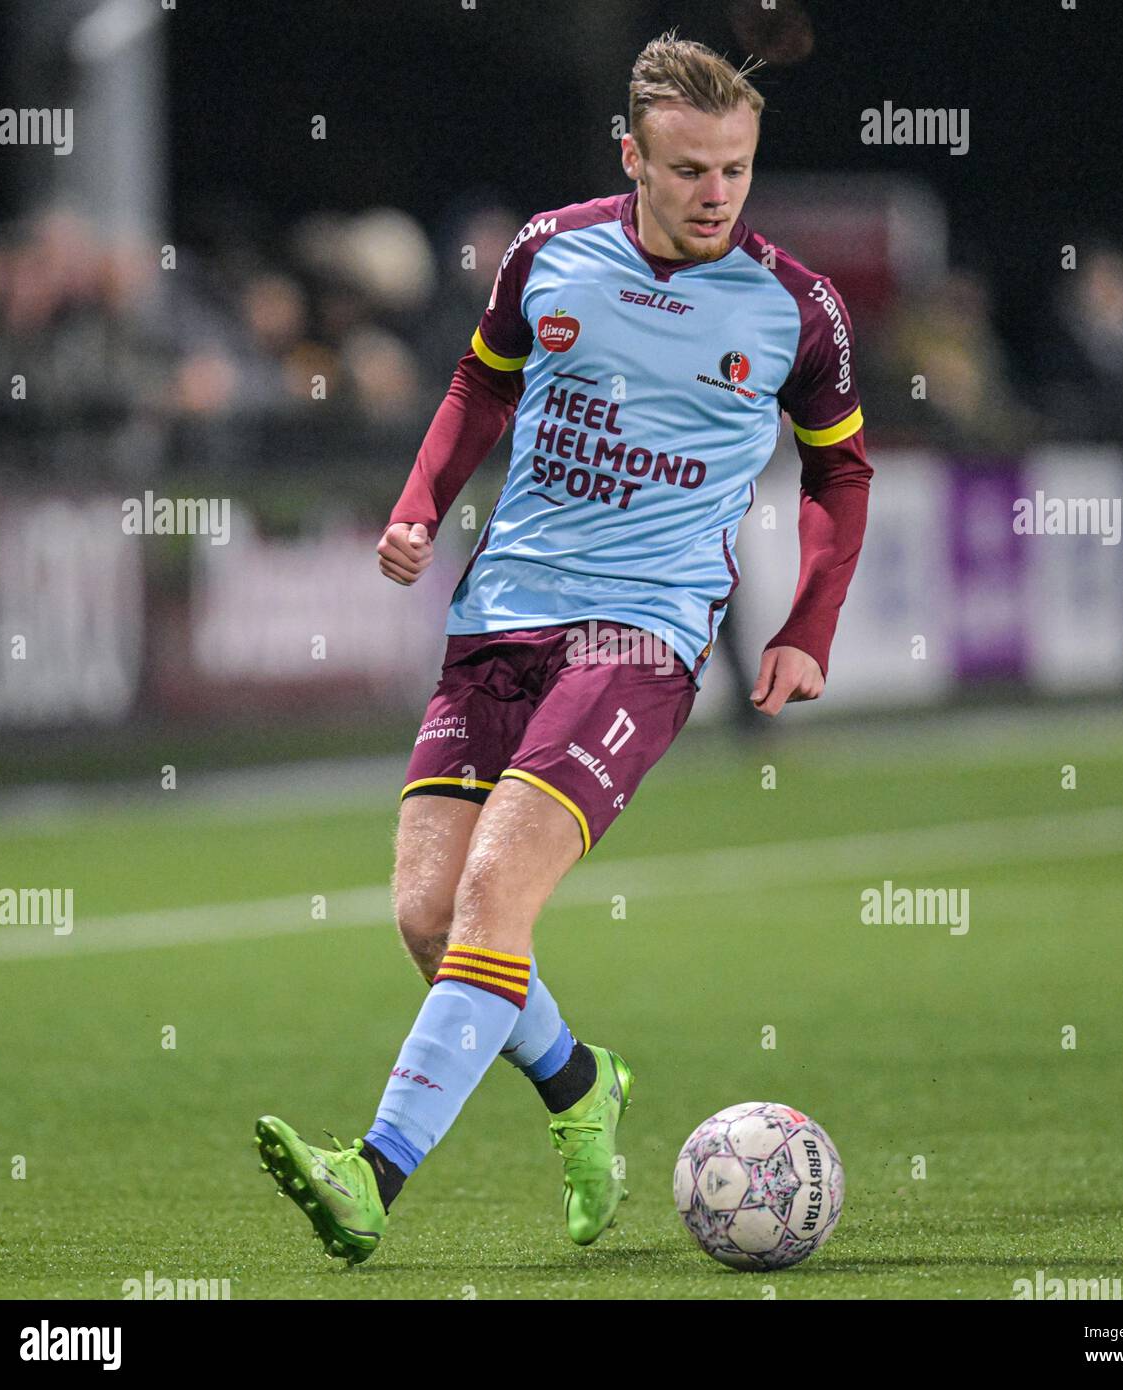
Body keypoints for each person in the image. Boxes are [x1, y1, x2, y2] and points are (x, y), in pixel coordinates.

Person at [255, 31, 873, 1264]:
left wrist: (808, 624)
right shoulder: (549, 251)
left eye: (736, 170)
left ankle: (371, 1173)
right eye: (690, 168)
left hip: (639, 637)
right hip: (500, 616)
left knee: (493, 895)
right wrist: (423, 500)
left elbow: (838, 466)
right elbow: (480, 384)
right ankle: (583, 1084)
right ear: (631, 154)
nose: (716, 194)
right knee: (431, 917)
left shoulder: (795, 305)